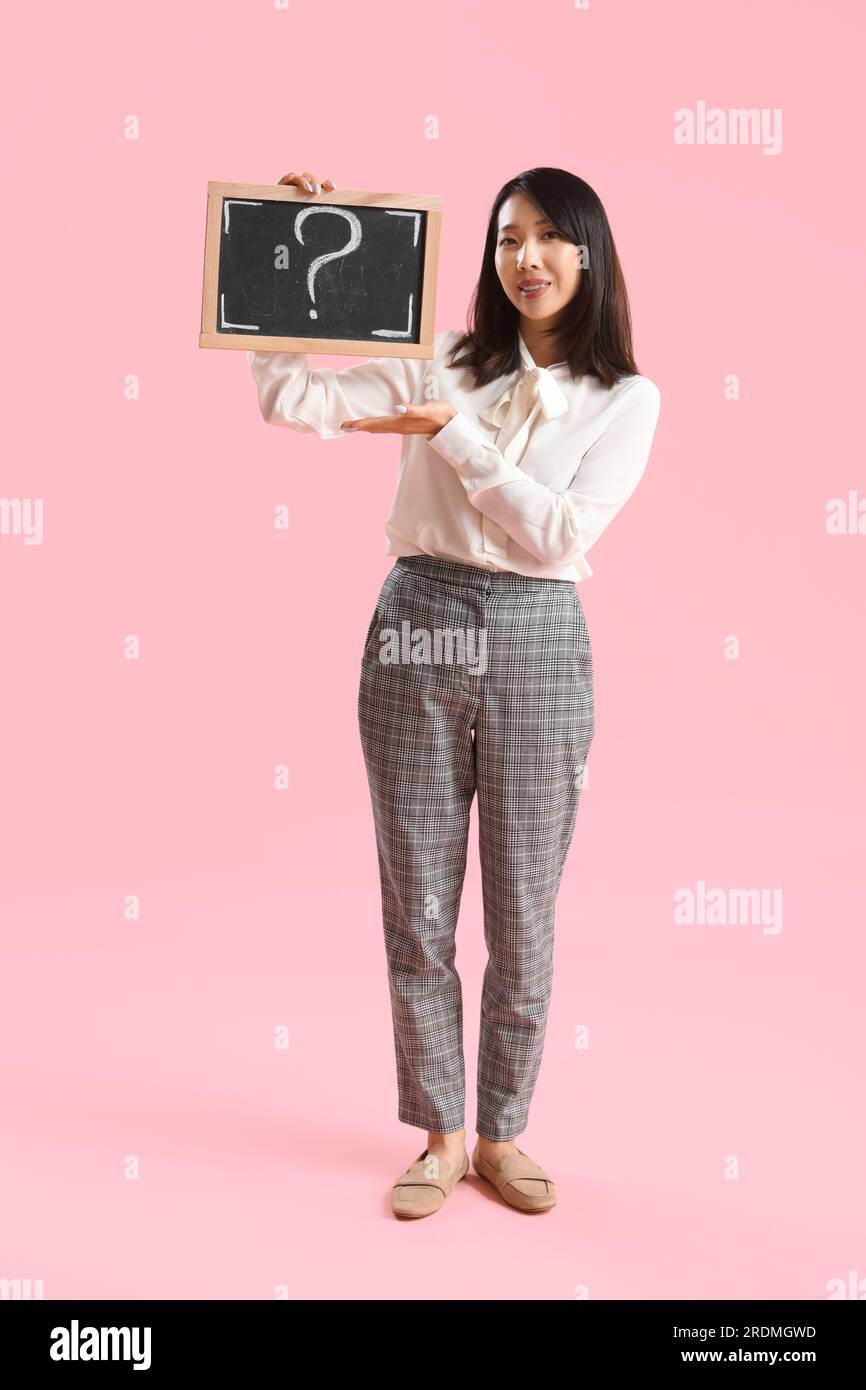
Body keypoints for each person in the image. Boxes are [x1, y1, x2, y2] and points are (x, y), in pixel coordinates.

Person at [246, 166, 661, 1218]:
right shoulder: (439, 358)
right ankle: (438, 1137)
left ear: (587, 252)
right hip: (415, 623)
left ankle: (503, 1132)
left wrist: (452, 433)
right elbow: (293, 402)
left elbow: (558, 532)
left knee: (523, 912)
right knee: (418, 902)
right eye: (503, 238)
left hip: (536, 638)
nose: (523, 258)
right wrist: (283, 257)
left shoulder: (626, 399)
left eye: (546, 238)